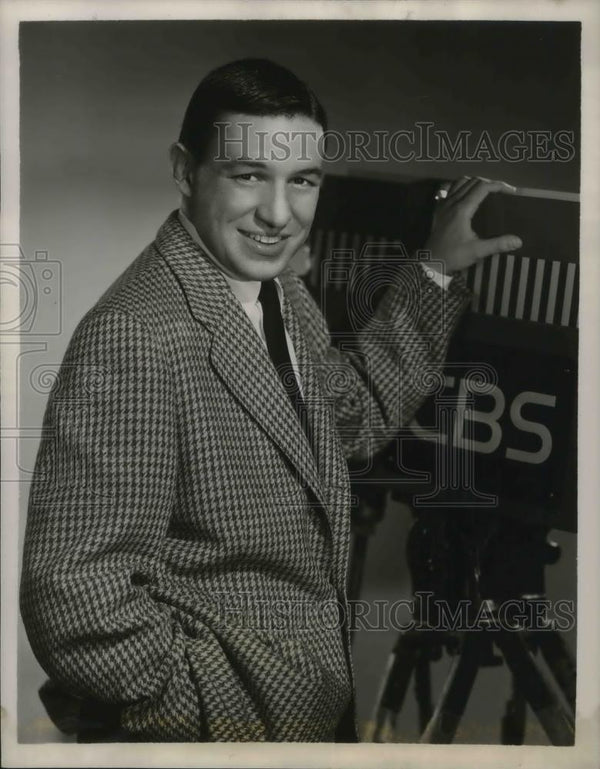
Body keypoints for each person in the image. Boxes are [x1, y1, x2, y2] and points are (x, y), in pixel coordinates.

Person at [20, 58, 522, 743]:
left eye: (302, 182)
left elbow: (350, 414)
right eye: (249, 175)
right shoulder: (135, 335)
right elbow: (73, 589)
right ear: (184, 170)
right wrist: (212, 706)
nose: (279, 215)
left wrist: (433, 270)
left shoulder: (277, 296)